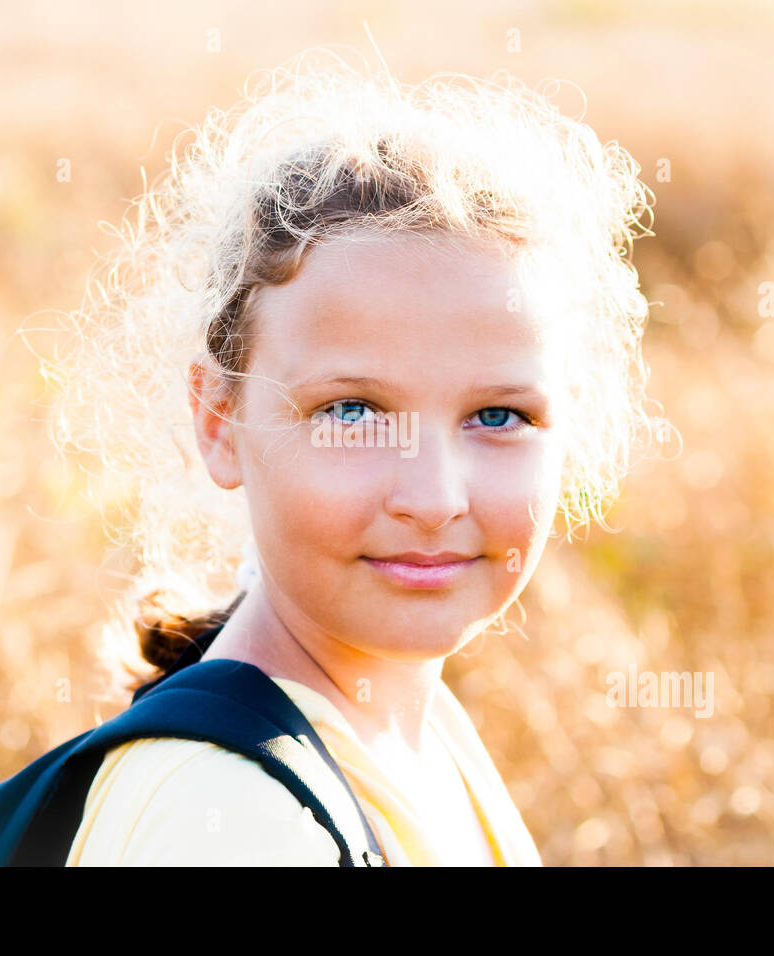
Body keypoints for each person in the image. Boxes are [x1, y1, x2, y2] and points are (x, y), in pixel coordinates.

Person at [47, 48, 665, 865]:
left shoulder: (414, 730)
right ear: (218, 419)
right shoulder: (231, 820)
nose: (435, 496)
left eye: (497, 414)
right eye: (352, 411)